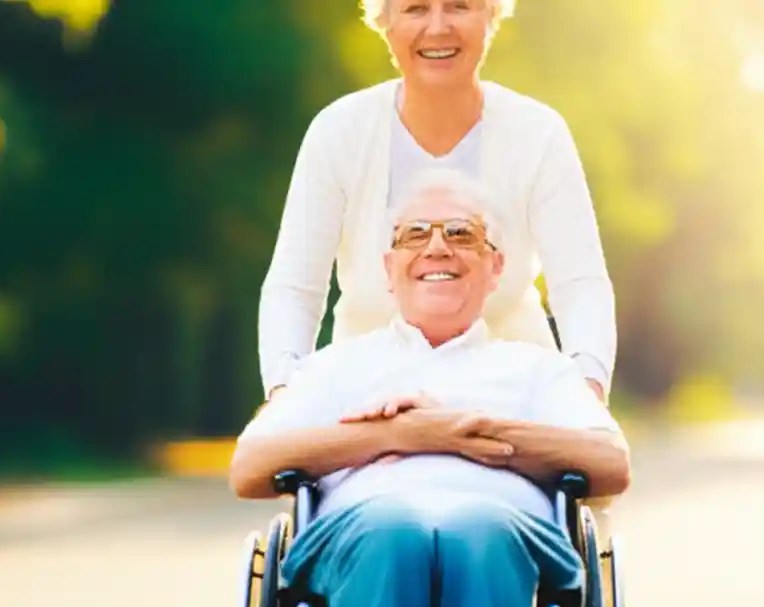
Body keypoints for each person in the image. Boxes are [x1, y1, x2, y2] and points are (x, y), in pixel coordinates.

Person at [231, 169, 631, 607]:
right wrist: (390, 436)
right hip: (365, 533)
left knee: (480, 529)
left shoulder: (538, 370)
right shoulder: (333, 368)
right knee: (392, 531)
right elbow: (249, 466)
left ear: (496, 268)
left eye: (462, 233)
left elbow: (611, 462)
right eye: (414, 233)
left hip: (502, 534)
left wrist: (470, 429)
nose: (437, 247)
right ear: (388, 268)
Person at [259, 0, 616, 406]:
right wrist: (284, 393)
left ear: (490, 14)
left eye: (458, 6)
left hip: (514, 399)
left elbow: (580, 282)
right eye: (416, 9)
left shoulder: (539, 133)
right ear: (386, 20)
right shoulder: (338, 132)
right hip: (366, 397)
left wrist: (586, 390)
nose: (438, 26)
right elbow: (295, 286)